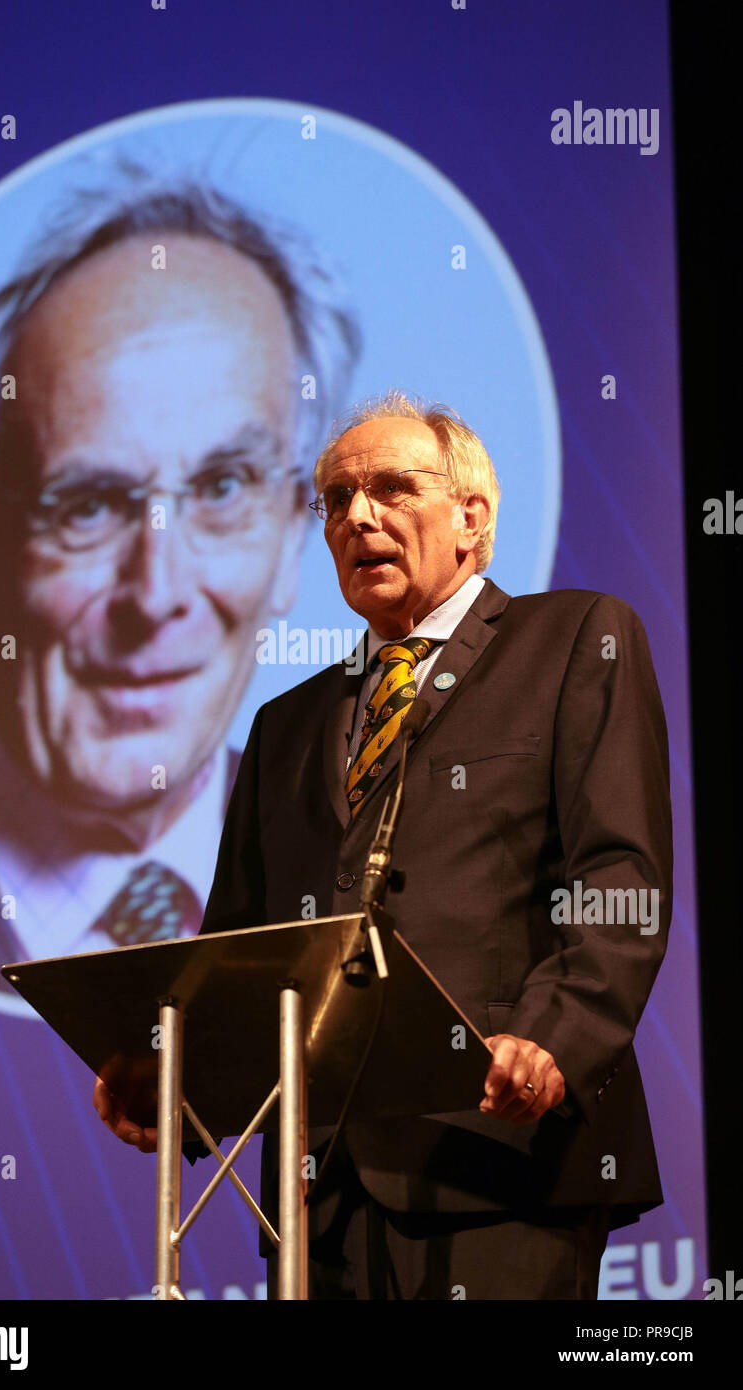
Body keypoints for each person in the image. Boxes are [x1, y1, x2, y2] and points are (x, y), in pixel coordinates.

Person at [96, 390, 672, 1300]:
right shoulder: (284, 726)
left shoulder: (573, 641)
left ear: (471, 517)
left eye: (393, 488)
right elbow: (242, 952)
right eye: (335, 499)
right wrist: (179, 1086)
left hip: (500, 1152)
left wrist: (552, 1041)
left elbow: (617, 880)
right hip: (321, 1195)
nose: (358, 516)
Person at [0, 177, 360, 991]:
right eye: (89, 506)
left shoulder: (366, 891)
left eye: (223, 488)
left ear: (291, 542)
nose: (157, 595)